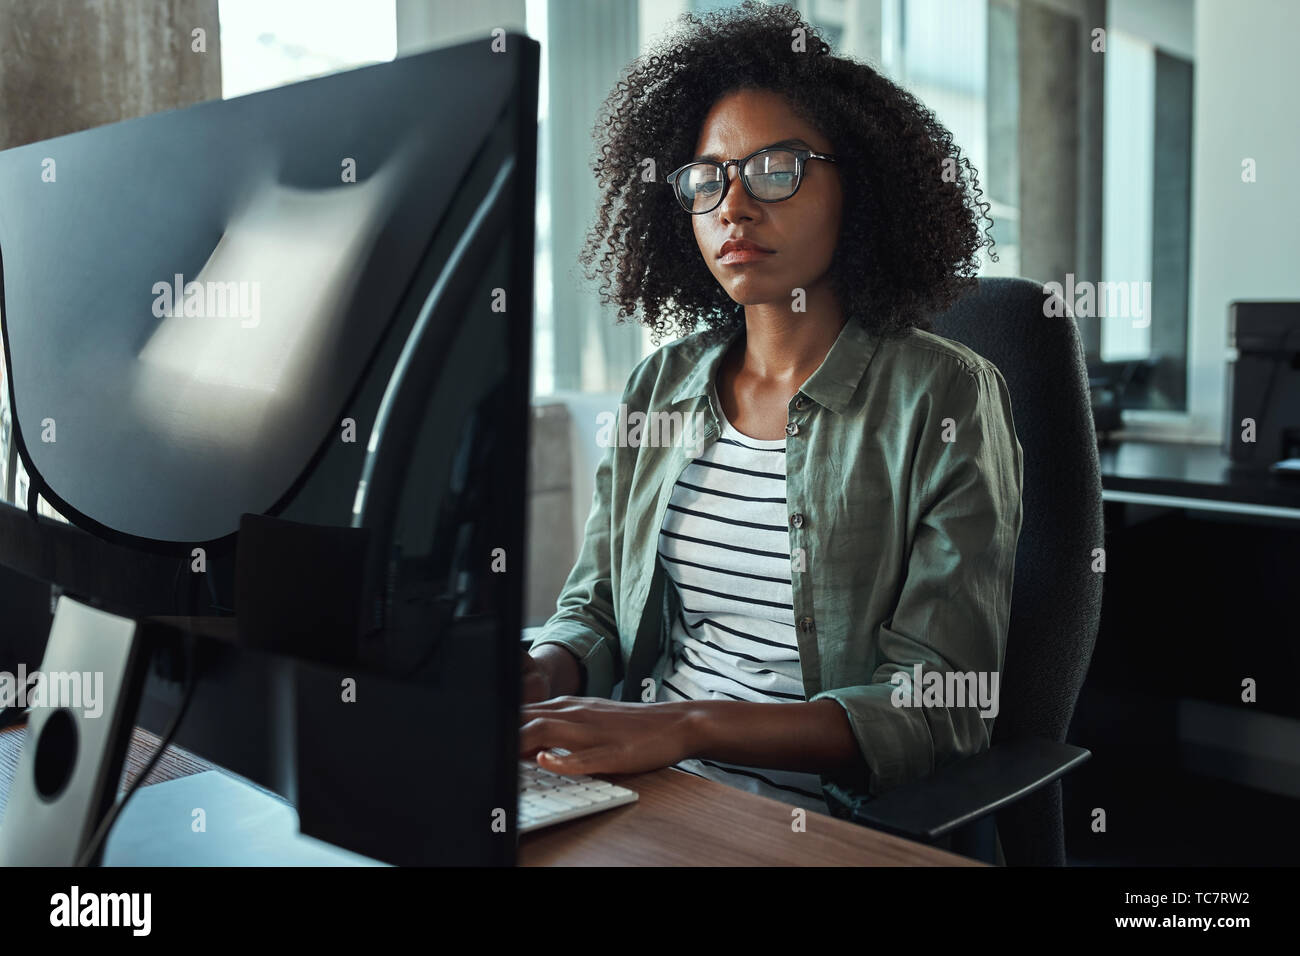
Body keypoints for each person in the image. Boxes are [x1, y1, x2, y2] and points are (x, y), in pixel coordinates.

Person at [520, 1, 1023, 819]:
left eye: (775, 169)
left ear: (856, 188)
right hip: (633, 789)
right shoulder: (661, 386)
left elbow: (941, 702)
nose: (734, 207)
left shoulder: (946, 395)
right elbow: (599, 607)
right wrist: (546, 669)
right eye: (707, 179)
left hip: (818, 818)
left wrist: (685, 725)